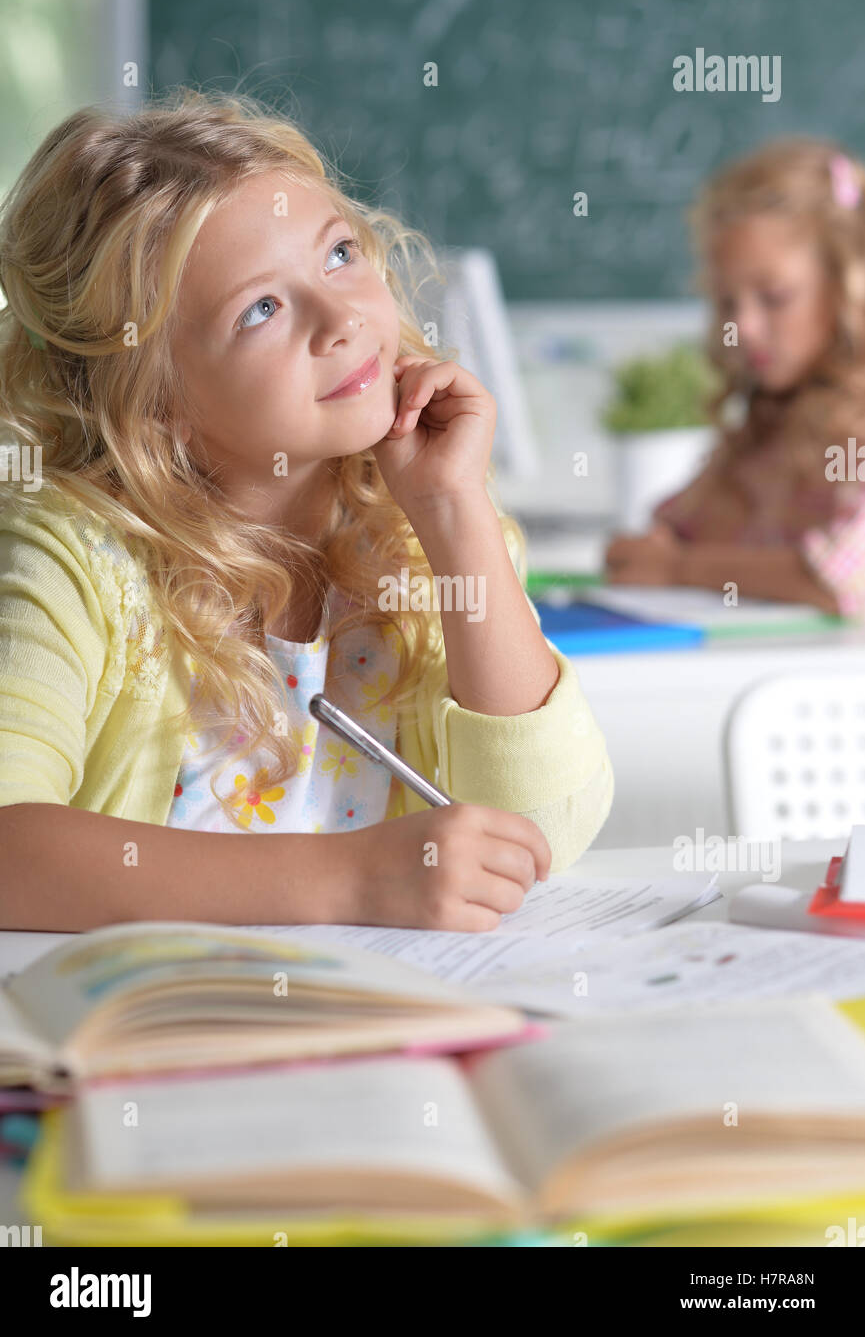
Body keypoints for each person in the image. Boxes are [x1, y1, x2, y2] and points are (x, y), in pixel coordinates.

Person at [0, 86, 613, 932]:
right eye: (261, 309)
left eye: (338, 255)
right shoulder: (70, 556)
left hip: (376, 1020)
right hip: (164, 1037)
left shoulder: (415, 531)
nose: (340, 319)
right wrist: (350, 881)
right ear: (154, 399)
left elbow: (541, 832)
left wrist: (453, 512)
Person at [605, 137, 865, 618]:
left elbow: (846, 580)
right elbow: (670, 529)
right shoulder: (768, 421)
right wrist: (655, 553)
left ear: (847, 285)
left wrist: (677, 568)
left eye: (774, 297)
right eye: (727, 302)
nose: (741, 327)